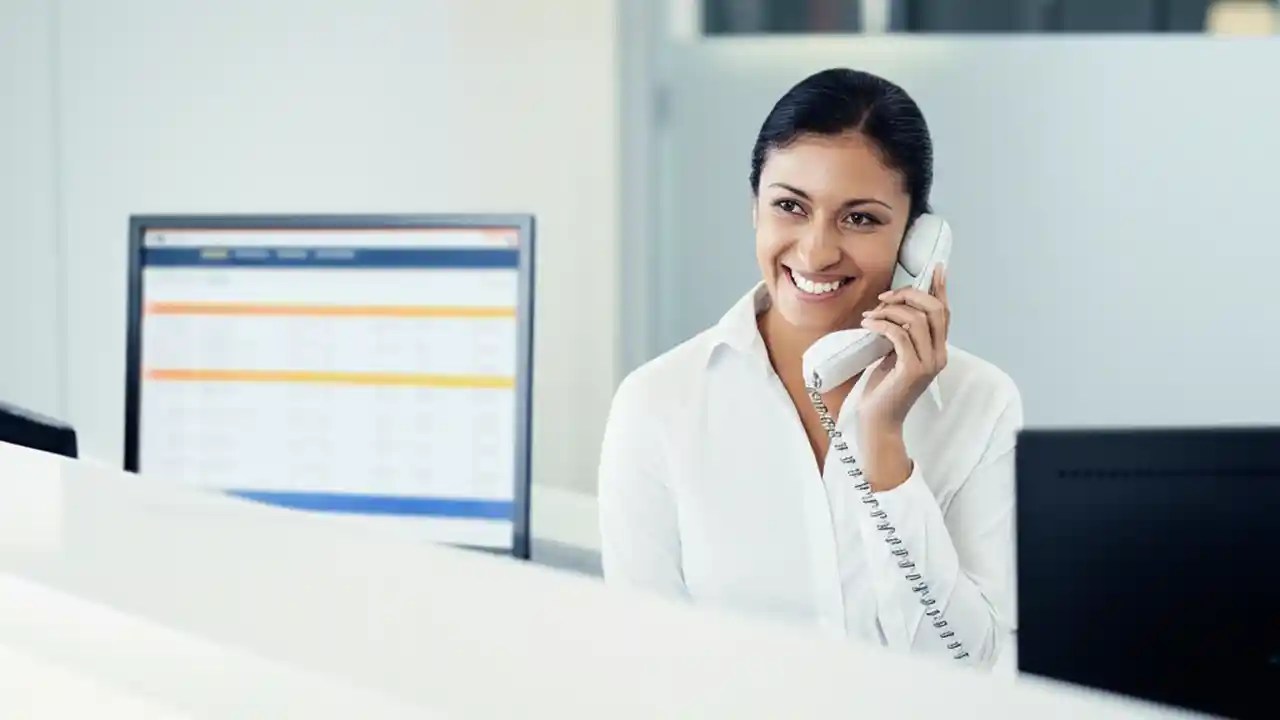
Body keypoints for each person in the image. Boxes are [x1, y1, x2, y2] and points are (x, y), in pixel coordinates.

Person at [597, 68, 1022, 669]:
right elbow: (647, 669)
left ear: (917, 240)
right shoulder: (658, 404)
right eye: (790, 207)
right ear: (755, 209)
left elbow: (970, 670)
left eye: (861, 218)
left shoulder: (981, 403)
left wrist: (882, 443)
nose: (817, 251)